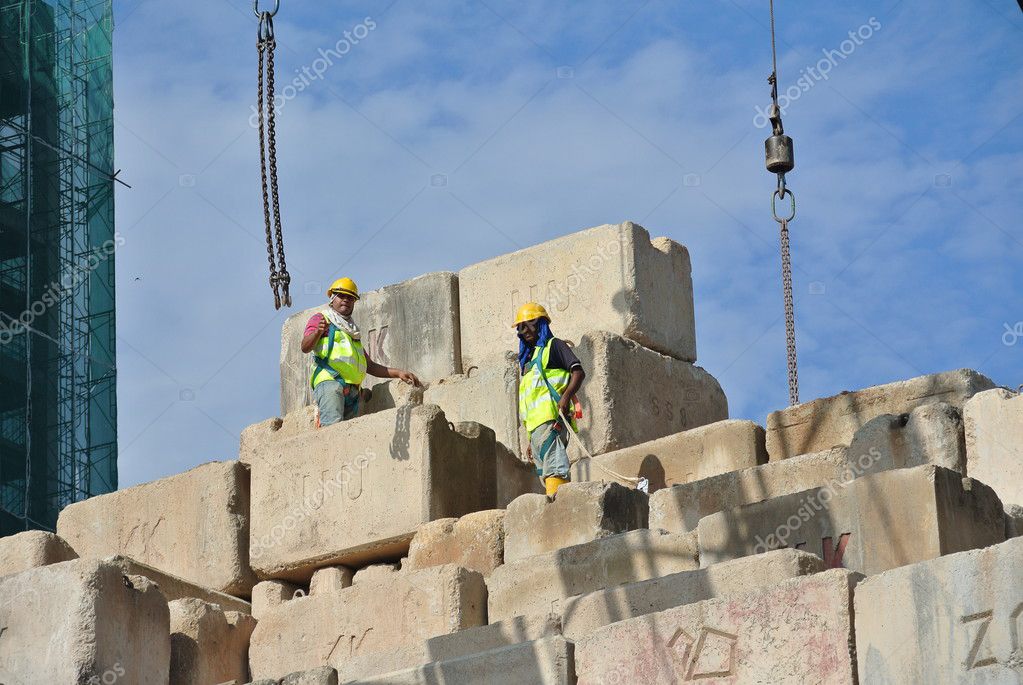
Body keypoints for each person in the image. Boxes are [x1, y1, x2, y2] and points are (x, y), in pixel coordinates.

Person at [301, 277, 420, 426]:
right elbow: (305, 347)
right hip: (330, 384)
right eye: (341, 296)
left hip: (353, 393)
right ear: (332, 298)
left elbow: (369, 366)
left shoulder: (352, 333)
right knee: (333, 429)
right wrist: (317, 332)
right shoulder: (322, 319)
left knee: (349, 434)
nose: (346, 300)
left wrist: (398, 373)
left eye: (350, 297)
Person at [514, 302, 585, 496]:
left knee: (555, 466)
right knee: (544, 473)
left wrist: (566, 397)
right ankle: (554, 503)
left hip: (552, 420)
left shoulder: (554, 346)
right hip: (535, 428)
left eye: (529, 324)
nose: (524, 331)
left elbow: (578, 372)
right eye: (521, 327)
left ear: (541, 323)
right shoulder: (528, 363)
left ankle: (560, 506)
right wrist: (530, 439)